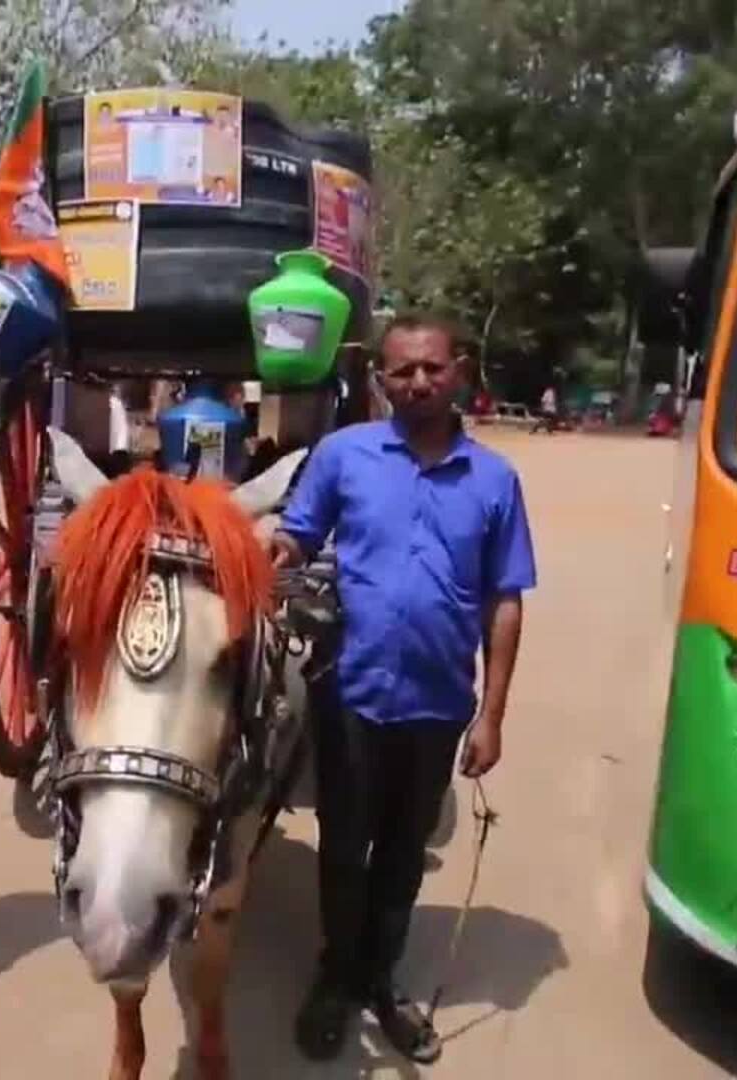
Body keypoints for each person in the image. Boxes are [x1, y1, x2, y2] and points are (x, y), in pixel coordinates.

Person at [271, 313, 535, 1065]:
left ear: (461, 371)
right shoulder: (342, 455)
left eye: (432, 368)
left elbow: (505, 599)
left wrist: (492, 716)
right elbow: (299, 533)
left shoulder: (495, 480)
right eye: (401, 372)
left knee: (402, 854)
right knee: (344, 846)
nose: (417, 382)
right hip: (348, 691)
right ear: (378, 380)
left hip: (438, 702)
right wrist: (268, 554)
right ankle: (336, 977)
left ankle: (380, 981)